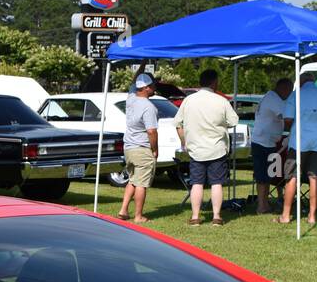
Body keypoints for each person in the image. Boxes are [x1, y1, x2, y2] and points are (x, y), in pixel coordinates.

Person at [173, 68, 239, 226]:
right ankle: (216, 216)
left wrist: (184, 142)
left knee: (197, 183)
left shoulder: (189, 100)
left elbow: (177, 123)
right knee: (217, 183)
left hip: (196, 149)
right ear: (214, 82)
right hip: (216, 148)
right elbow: (233, 121)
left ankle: (195, 216)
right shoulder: (221, 101)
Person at [278, 72, 317, 226]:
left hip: (298, 141)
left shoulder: (296, 95)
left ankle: (286, 215)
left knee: (292, 177)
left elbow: (287, 119)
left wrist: (293, 126)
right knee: (315, 178)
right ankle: (312, 216)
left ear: (300, 82)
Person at [117, 72, 160, 224]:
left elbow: (133, 81)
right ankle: (138, 216)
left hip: (128, 148)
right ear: (146, 88)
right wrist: (155, 149)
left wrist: (141, 63)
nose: (155, 87)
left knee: (132, 181)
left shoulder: (131, 99)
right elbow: (151, 131)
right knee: (142, 184)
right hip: (142, 148)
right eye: (153, 85)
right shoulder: (149, 107)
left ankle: (123, 210)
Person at [251, 77, 291, 213]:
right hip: (263, 142)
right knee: (263, 176)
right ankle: (261, 206)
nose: (290, 95)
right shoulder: (274, 99)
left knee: (267, 175)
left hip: (266, 141)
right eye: (289, 91)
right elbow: (287, 118)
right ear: (283, 89)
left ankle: (264, 204)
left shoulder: (271, 96)